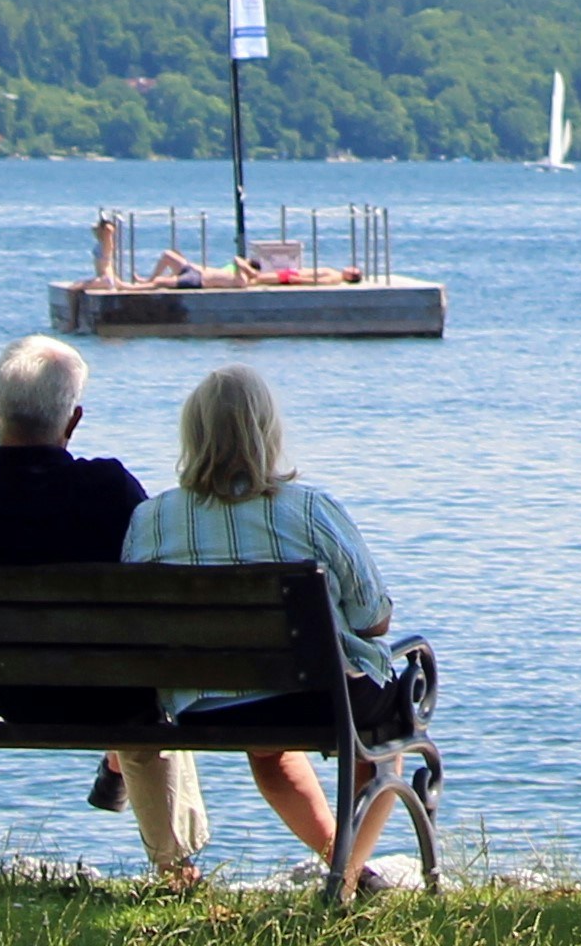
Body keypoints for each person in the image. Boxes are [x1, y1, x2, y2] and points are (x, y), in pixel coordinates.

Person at [126, 363, 422, 884]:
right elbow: (373, 620)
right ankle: (347, 876)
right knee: (382, 748)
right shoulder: (310, 510)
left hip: (207, 707)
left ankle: (345, 868)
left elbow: (141, 625)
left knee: (269, 751)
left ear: (192, 436)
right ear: (268, 433)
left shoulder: (152, 519)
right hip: (318, 696)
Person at [0, 335, 195, 878]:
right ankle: (175, 870)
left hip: (15, 692)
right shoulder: (107, 487)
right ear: (73, 421)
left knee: (136, 697)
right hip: (113, 695)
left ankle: (122, 761)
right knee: (143, 702)